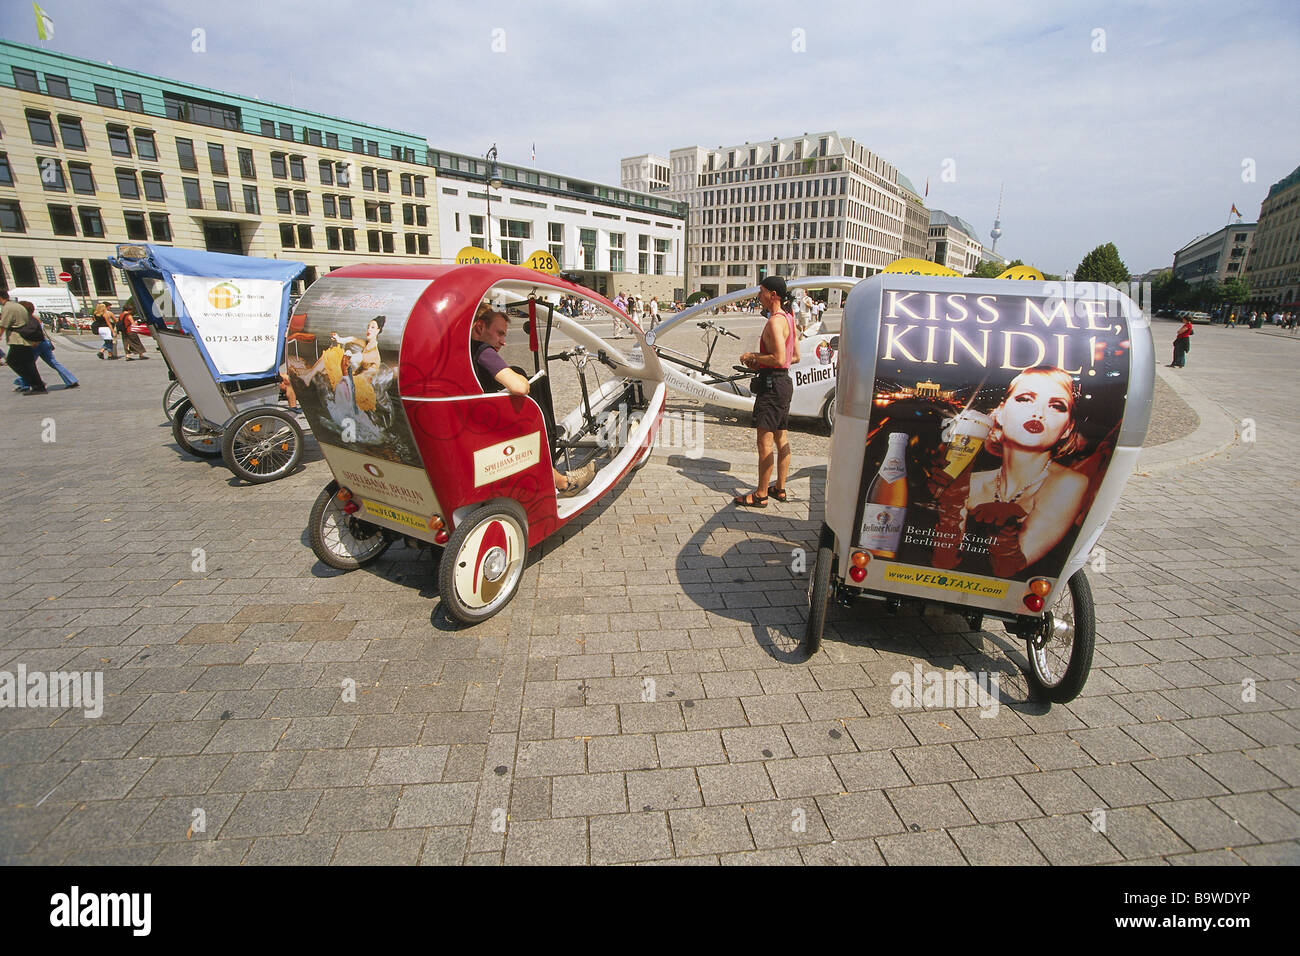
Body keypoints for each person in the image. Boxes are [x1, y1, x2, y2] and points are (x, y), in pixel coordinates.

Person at [931, 366, 1090, 578]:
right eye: (1025, 399)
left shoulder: (1070, 483)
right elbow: (942, 563)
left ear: (1068, 428)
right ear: (1002, 413)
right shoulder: (972, 483)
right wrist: (949, 500)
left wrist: (1004, 531)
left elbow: (1009, 570)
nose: (1038, 413)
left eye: (1056, 406)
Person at [471, 303, 594, 498]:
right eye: (500, 333)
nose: (503, 342)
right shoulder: (483, 351)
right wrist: (522, 378)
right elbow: (519, 387)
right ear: (479, 327)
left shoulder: (464, 350)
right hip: (491, 429)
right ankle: (563, 484)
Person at [735, 275, 799, 507]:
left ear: (773, 294)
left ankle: (761, 494)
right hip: (784, 384)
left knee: (765, 443)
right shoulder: (789, 319)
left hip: (772, 386)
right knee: (782, 437)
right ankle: (779, 488)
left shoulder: (774, 322)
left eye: (762, 291)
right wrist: (764, 361)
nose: (759, 295)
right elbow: (794, 356)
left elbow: (779, 358)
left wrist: (752, 357)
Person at [17, 301, 77, 389]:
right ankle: (71, 380)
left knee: (27, 365)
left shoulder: (27, 320)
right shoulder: (36, 318)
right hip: (44, 343)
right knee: (53, 362)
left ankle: (25, 384)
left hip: (35, 344)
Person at [1, 288, 46, 394]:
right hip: (25, 338)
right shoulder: (17, 305)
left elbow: (3, 325)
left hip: (17, 339)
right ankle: (38, 385)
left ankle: (36, 384)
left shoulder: (8, 307)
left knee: (13, 361)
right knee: (29, 364)